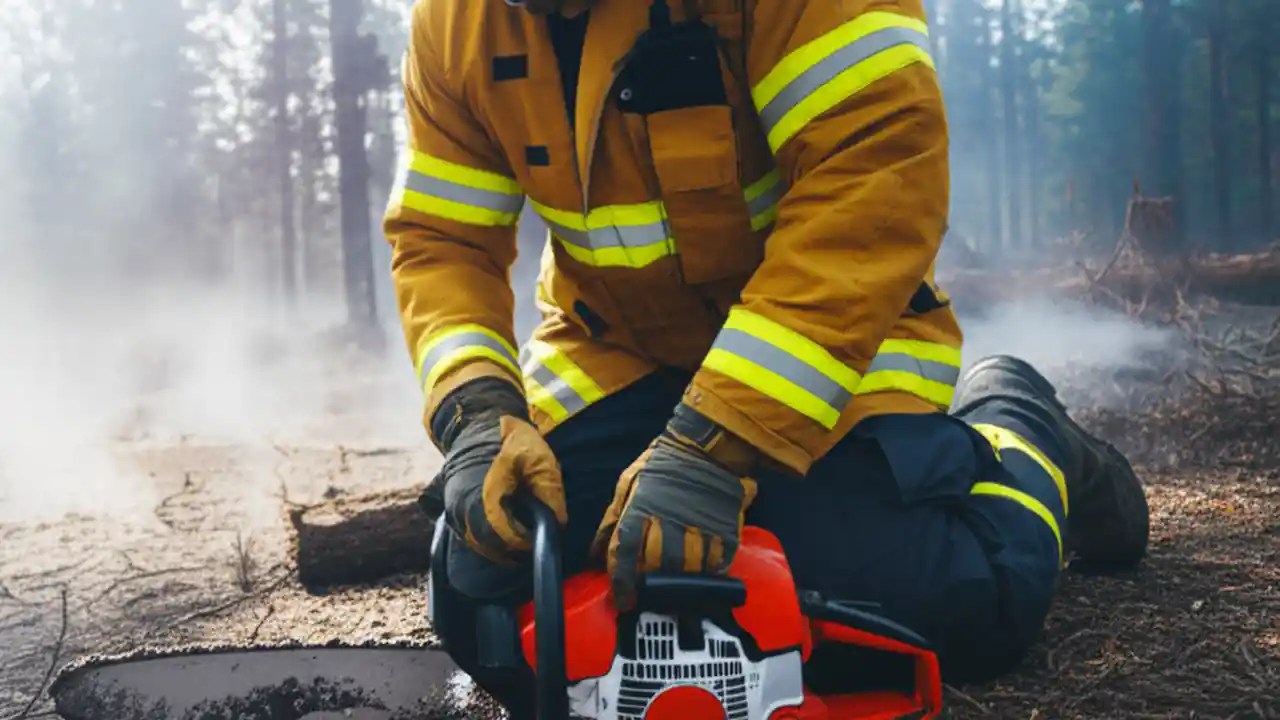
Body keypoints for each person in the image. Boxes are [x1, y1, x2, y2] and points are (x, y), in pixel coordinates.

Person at [383, 0, 1150, 713]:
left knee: (952, 603)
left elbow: (875, 171)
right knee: (481, 576)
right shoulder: (459, 23)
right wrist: (477, 414)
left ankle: (1022, 427)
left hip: (831, 356)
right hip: (622, 355)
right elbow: (443, 239)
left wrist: (714, 450)